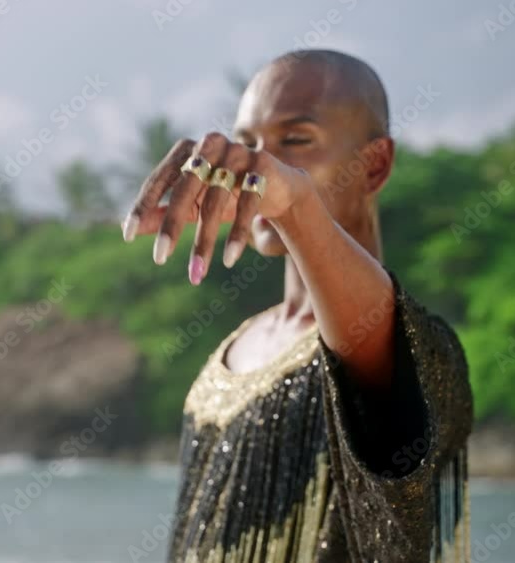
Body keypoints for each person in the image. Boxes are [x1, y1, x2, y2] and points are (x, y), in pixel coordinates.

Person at [120, 50, 473, 562]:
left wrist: (295, 202)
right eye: (247, 144)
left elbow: (369, 340)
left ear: (375, 164)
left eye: (296, 140)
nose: (258, 164)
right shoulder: (239, 343)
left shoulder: (413, 346)